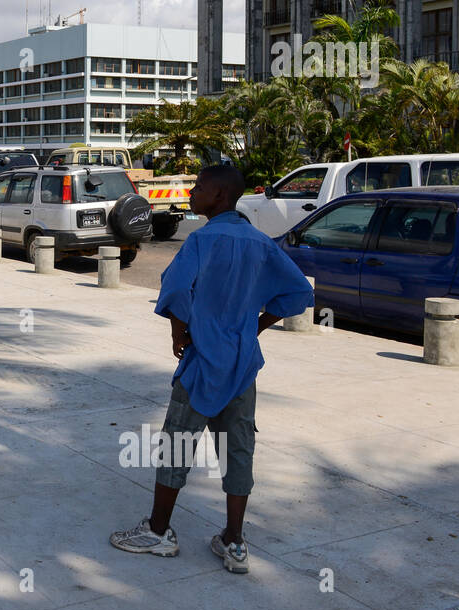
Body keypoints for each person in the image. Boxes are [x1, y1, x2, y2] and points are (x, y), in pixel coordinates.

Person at [109, 165, 313, 574]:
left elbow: (174, 290)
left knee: (177, 443)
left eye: (199, 186)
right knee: (238, 449)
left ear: (219, 196)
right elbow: (297, 292)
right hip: (242, 365)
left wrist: (179, 332)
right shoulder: (260, 243)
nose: (193, 191)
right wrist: (253, 327)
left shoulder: (201, 240)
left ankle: (159, 531)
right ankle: (234, 541)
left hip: (202, 361)